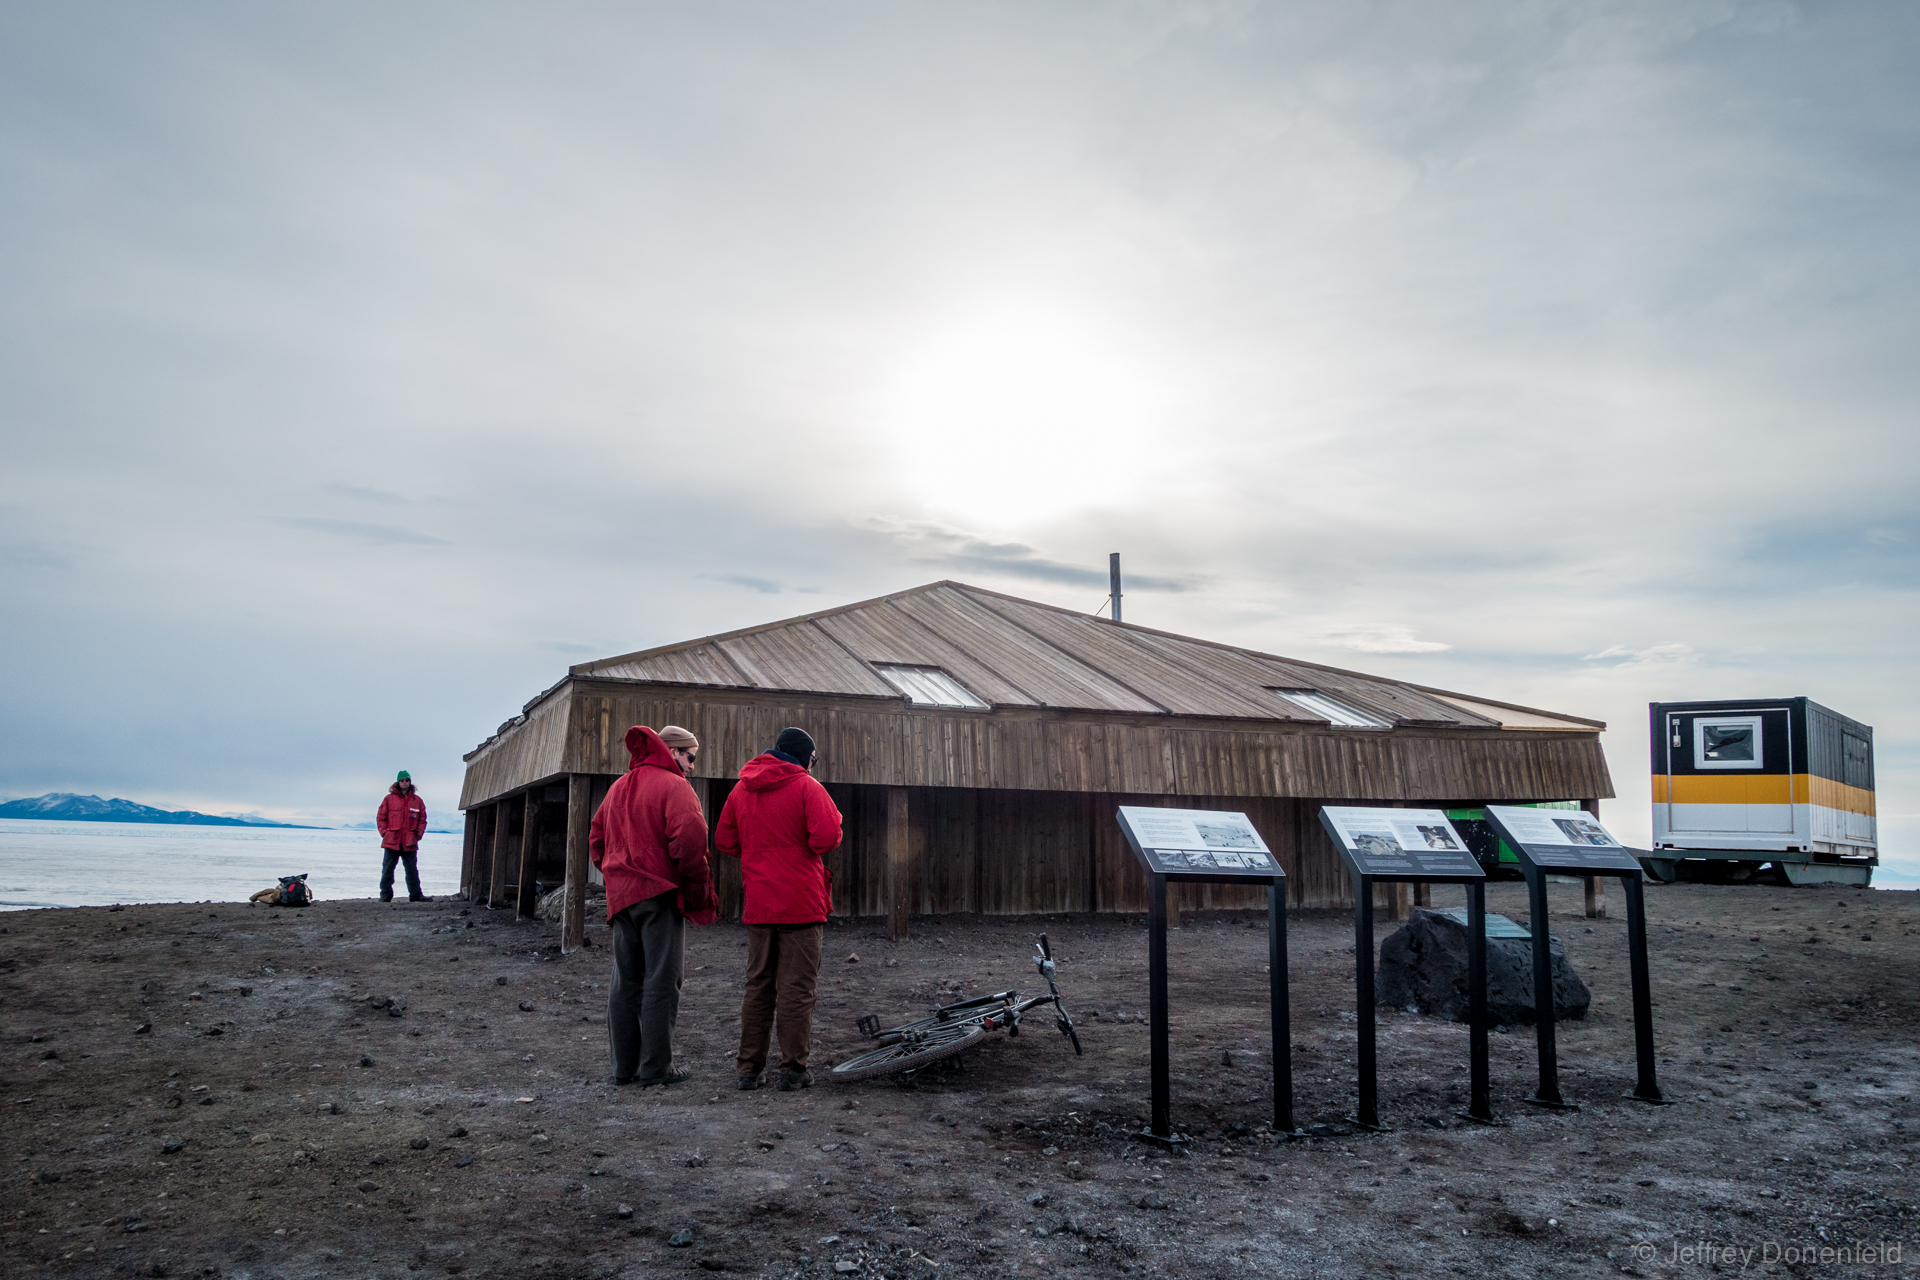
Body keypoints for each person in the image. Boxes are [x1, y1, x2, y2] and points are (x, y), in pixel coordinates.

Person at [715, 726, 843, 1091]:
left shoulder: (742, 788)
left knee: (757, 986)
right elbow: (825, 838)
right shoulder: (807, 787)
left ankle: (748, 1070)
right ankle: (793, 1069)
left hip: (759, 903)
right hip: (801, 904)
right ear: (804, 755)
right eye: (813, 759)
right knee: (796, 989)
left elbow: (725, 840)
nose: (813, 765)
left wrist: (759, 856)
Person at [589, 724, 717, 1087]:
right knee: (662, 981)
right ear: (674, 752)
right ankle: (656, 1068)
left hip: (622, 898)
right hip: (658, 895)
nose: (692, 766)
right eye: (690, 757)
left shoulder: (618, 788)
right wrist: (695, 887)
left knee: (625, 982)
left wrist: (616, 873)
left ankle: (623, 1068)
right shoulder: (675, 788)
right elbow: (691, 843)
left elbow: (596, 840)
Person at [377, 771, 429, 902]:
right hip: (392, 841)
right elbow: (381, 818)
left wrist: (418, 835)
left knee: (412, 870)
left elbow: (422, 819)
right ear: (398, 782)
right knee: (388, 869)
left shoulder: (417, 801)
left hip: (409, 841)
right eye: (402, 780)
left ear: (410, 782)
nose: (405, 782)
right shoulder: (389, 799)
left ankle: (416, 894)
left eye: (407, 780)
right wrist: (385, 833)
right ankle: (385, 895)